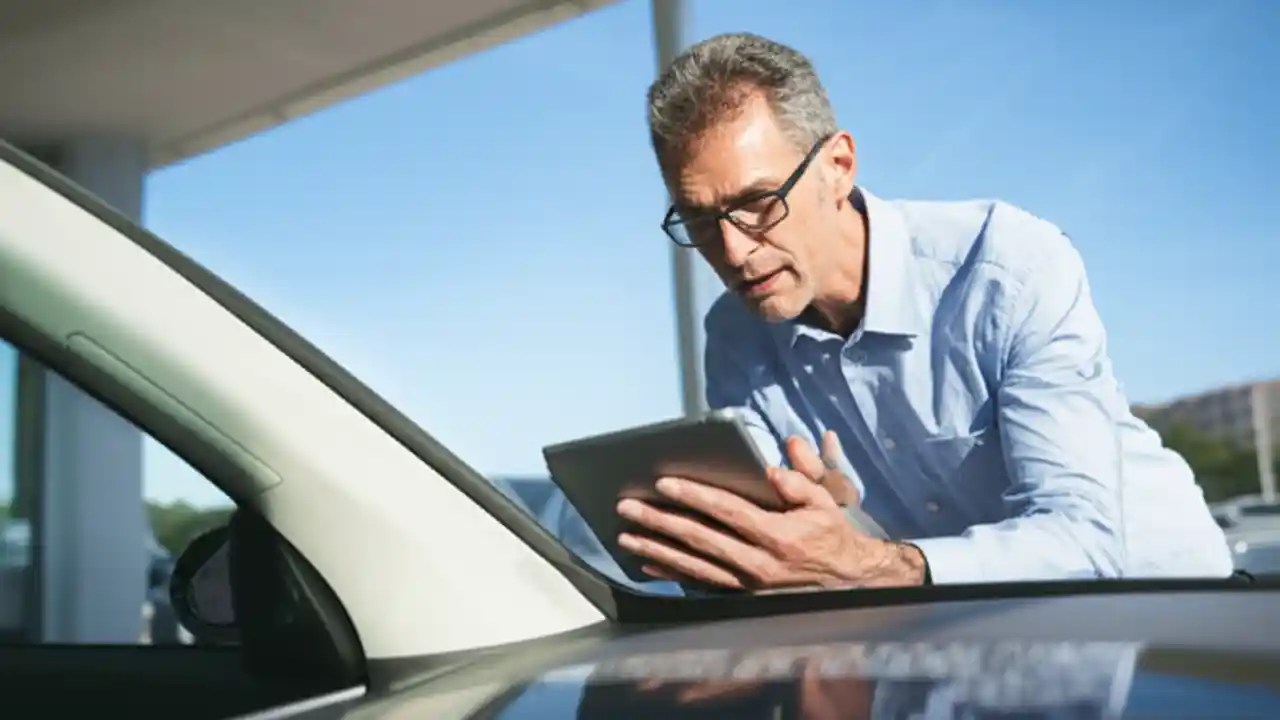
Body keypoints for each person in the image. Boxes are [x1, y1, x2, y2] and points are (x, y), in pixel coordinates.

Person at [615, 32, 1233, 591]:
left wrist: (864, 560)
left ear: (838, 167)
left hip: (1169, 616)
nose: (734, 249)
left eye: (758, 201)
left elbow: (1085, 541)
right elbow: (804, 555)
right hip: (962, 637)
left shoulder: (1005, 268)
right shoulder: (734, 336)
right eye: (699, 217)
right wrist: (822, 526)